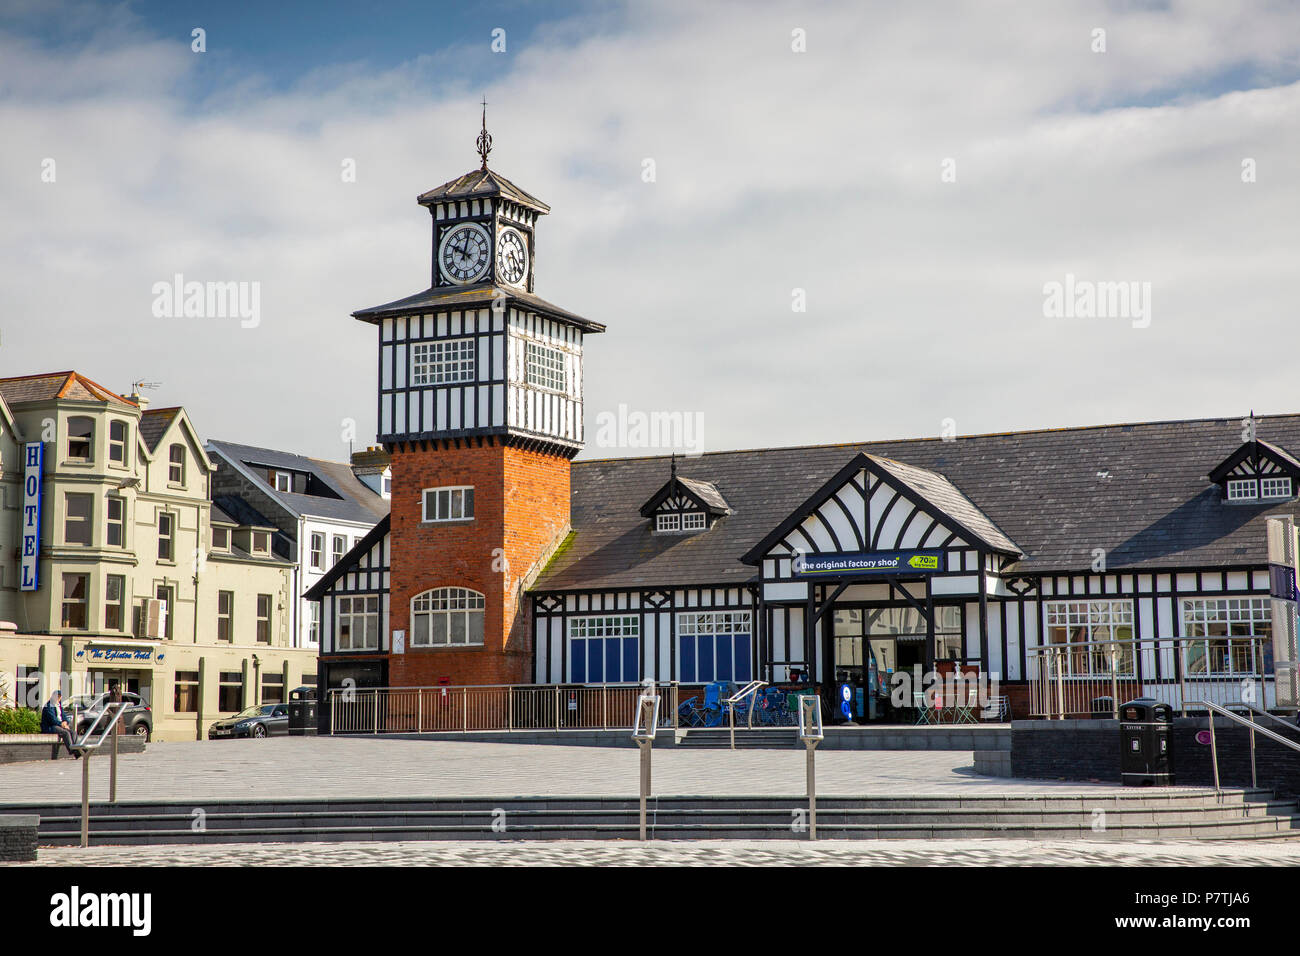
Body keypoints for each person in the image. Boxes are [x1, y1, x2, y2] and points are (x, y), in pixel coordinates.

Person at [40, 690, 80, 759]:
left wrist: (65, 722)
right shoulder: (49, 706)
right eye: (57, 697)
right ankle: (72, 750)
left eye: (59, 697)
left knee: (73, 732)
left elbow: (64, 716)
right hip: (51, 726)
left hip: (60, 725)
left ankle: (76, 749)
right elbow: (52, 719)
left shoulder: (59, 705)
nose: (58, 698)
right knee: (66, 733)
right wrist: (61, 724)